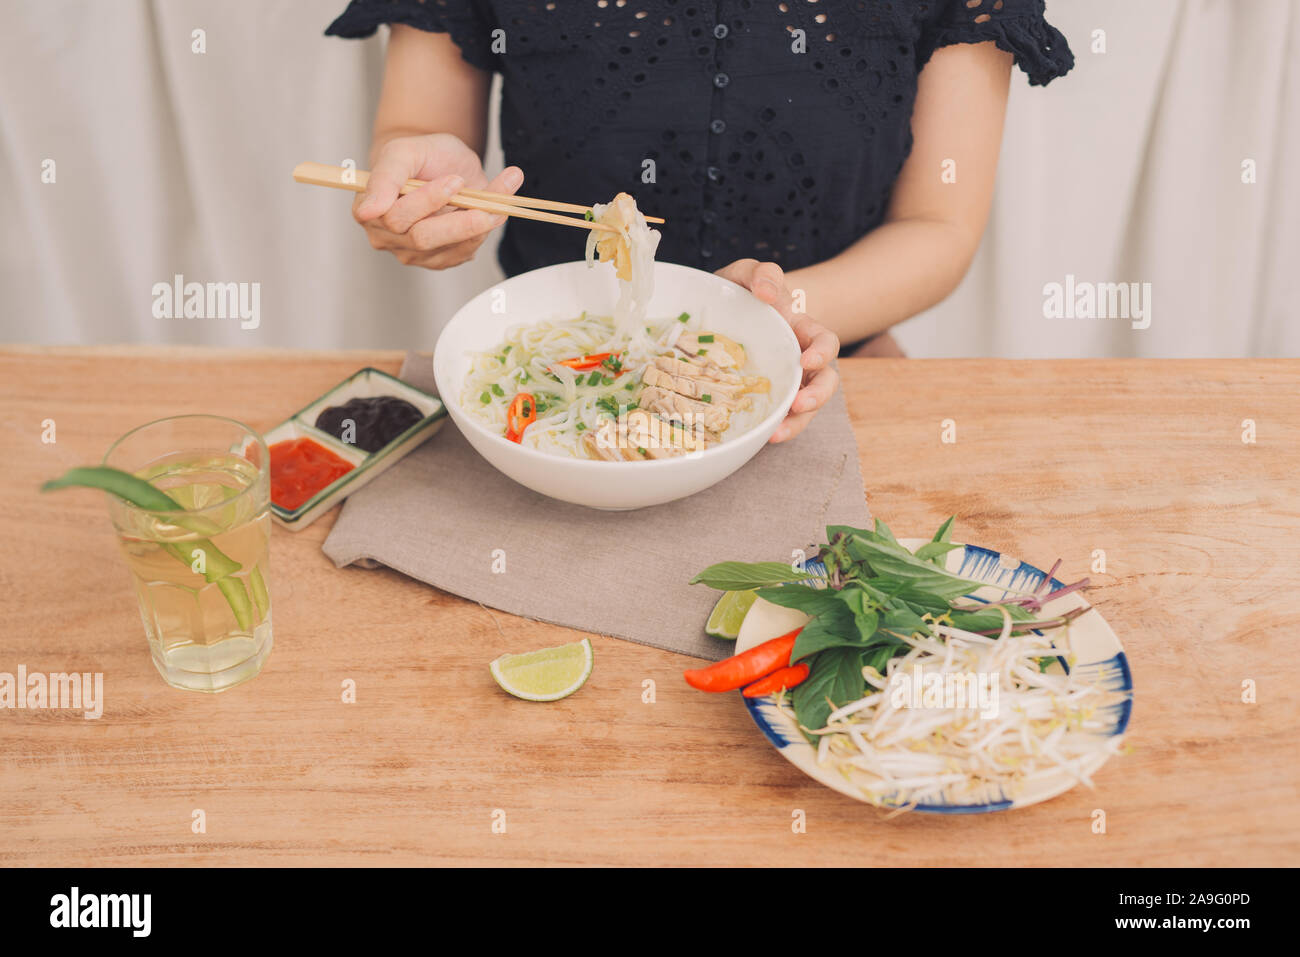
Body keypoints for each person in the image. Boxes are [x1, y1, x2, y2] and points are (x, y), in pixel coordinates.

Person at [326, 0, 1072, 441]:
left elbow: (938, 225)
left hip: (818, 382)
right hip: (544, 386)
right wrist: (419, 173)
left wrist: (754, 320)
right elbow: (419, 123)